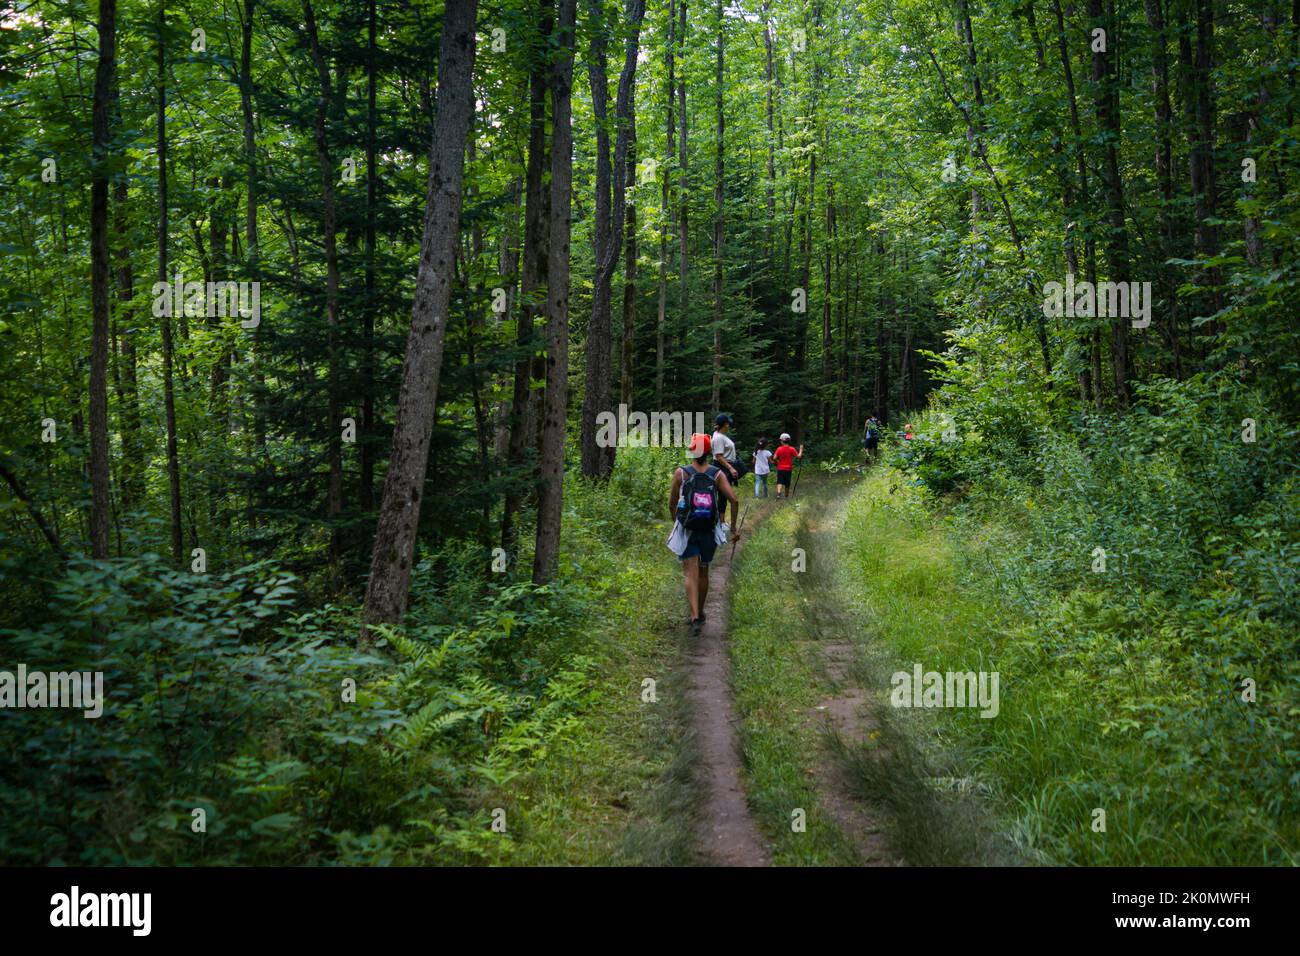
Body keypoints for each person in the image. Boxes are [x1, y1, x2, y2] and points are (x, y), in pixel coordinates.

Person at [670, 432, 739, 634]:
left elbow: (672, 503)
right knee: (703, 570)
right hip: (709, 528)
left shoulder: (681, 473)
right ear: (709, 452)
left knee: (689, 572)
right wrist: (734, 527)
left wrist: (677, 522)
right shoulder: (717, 474)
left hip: (688, 528)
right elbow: (734, 500)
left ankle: (693, 618)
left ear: (692, 451)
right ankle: (700, 612)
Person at [711, 413, 746, 487]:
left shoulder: (721, 435)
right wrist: (731, 468)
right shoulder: (718, 437)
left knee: (724, 494)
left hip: (725, 467)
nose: (729, 425)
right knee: (723, 494)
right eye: (727, 423)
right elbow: (718, 456)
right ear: (725, 424)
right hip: (722, 467)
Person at [772, 433, 804, 499]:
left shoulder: (779, 449)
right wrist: (801, 449)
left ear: (781, 441)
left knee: (780, 481)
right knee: (787, 483)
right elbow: (799, 456)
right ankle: (786, 496)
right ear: (789, 441)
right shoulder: (792, 449)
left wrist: (777, 462)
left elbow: (774, 458)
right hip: (788, 469)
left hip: (780, 468)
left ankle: (778, 493)